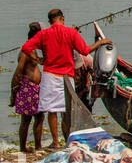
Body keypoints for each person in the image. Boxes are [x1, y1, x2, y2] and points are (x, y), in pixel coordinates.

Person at [20, 9, 112, 149]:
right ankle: (67, 140)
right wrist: (100, 43)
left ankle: (55, 142)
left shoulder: (44, 34)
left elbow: (26, 47)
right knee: (66, 111)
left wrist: (38, 59)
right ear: (62, 18)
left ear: (50, 21)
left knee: (52, 111)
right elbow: (85, 51)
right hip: (67, 76)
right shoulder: (71, 32)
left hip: (50, 75)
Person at [11, 22, 43, 151]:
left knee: (39, 116)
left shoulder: (33, 50)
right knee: (27, 118)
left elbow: (38, 61)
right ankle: (23, 147)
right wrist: (13, 92)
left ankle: (38, 145)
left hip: (34, 88)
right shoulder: (26, 50)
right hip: (27, 87)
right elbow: (18, 71)